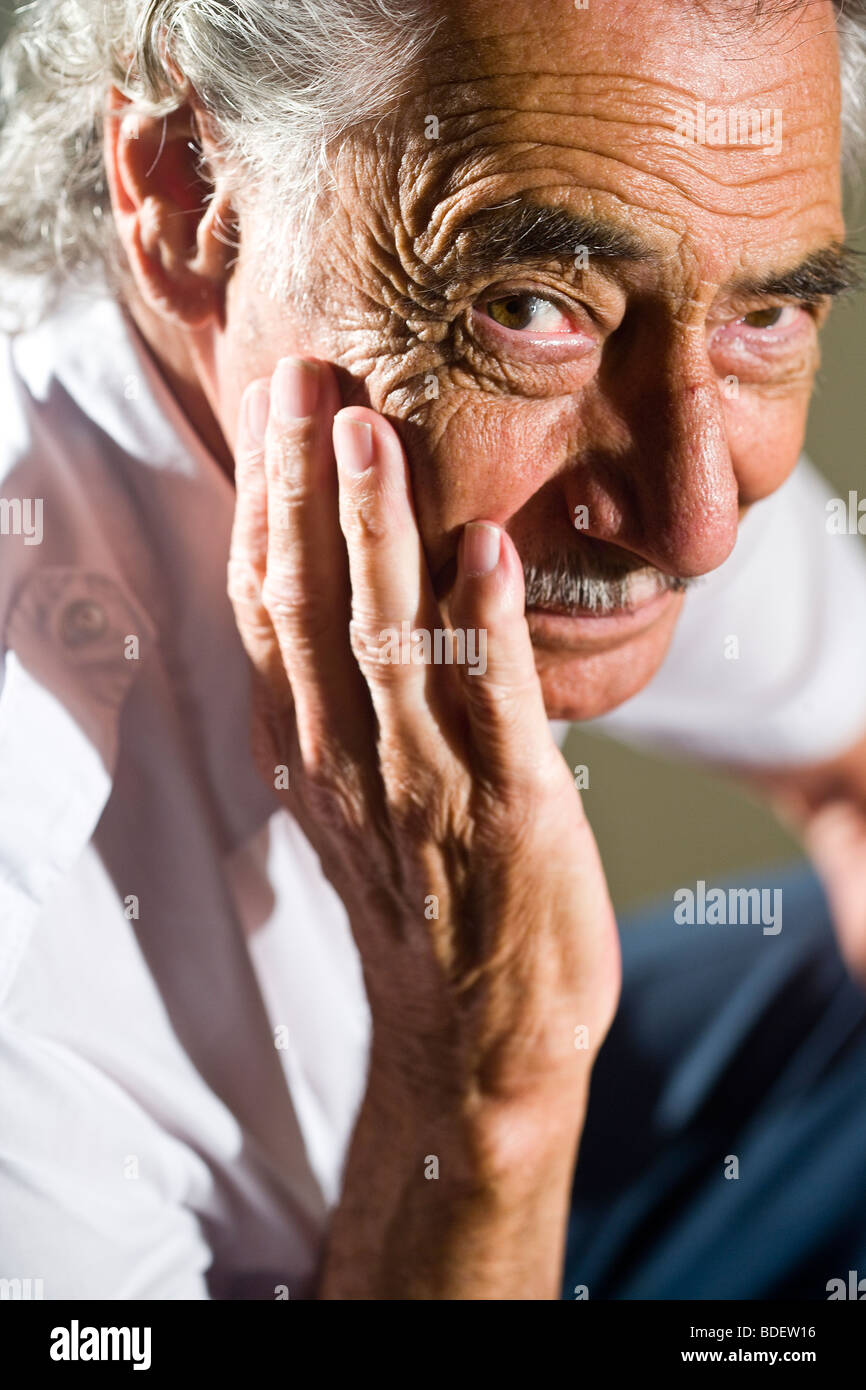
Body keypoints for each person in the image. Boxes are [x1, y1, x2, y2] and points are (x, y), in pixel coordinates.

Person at [0, 0, 865, 1299]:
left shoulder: (635, 401)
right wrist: (487, 1086)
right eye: (531, 305)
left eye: (769, 315)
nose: (695, 526)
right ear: (186, 195)